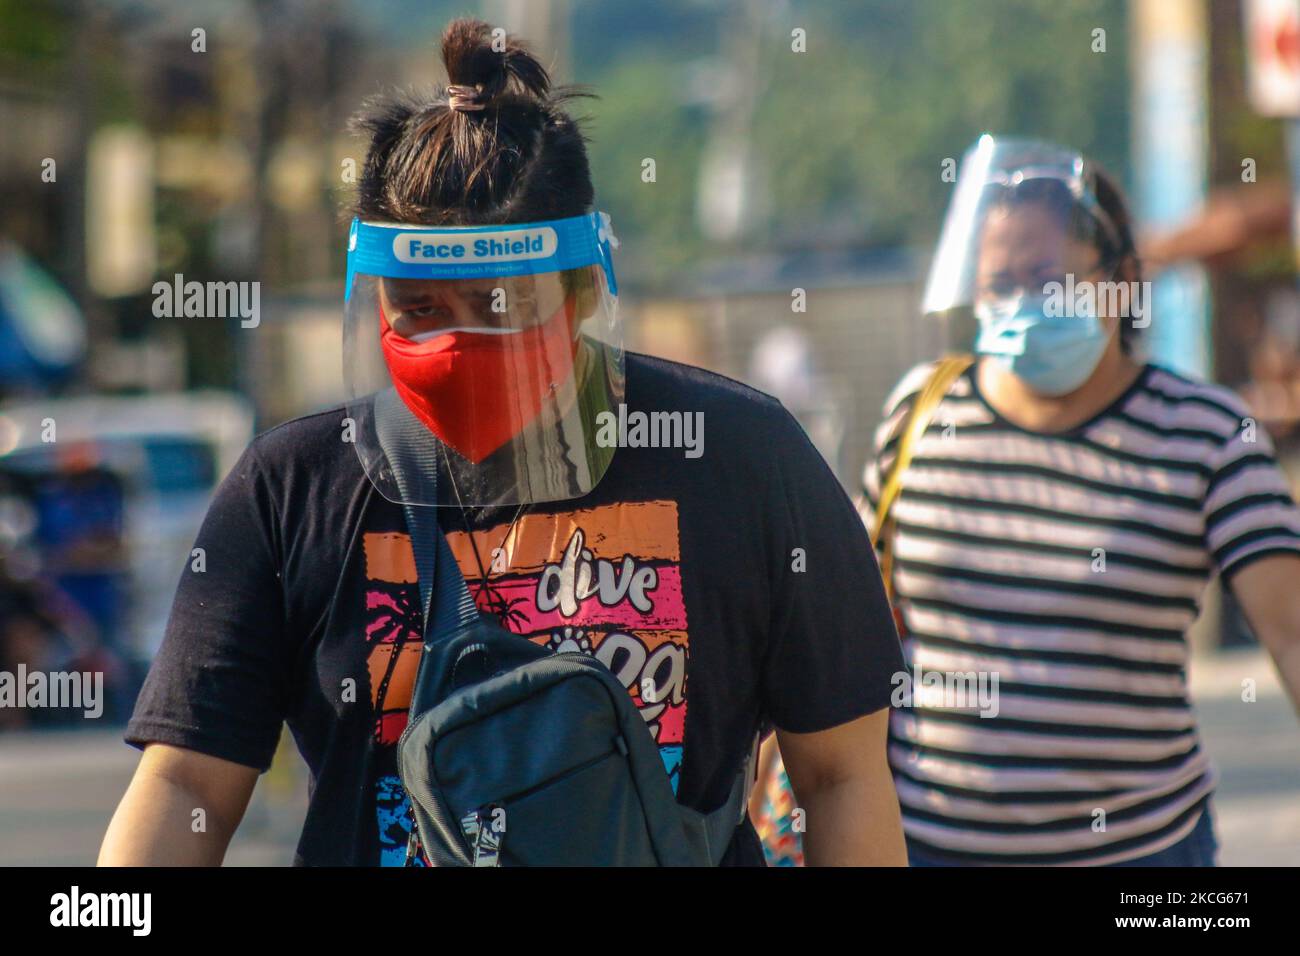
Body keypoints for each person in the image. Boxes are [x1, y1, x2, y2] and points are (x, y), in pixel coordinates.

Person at [100, 18, 907, 867]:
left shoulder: (742, 459)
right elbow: (186, 784)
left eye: (498, 305)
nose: (453, 347)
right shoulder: (293, 487)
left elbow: (840, 776)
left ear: (585, 290)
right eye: (417, 310)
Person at [861, 135, 1300, 866]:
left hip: (1140, 856)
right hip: (929, 846)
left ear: (1122, 279)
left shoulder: (1208, 435)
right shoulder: (919, 412)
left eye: (1045, 278)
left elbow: (1290, 633)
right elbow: (854, 619)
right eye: (999, 283)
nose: (1019, 304)